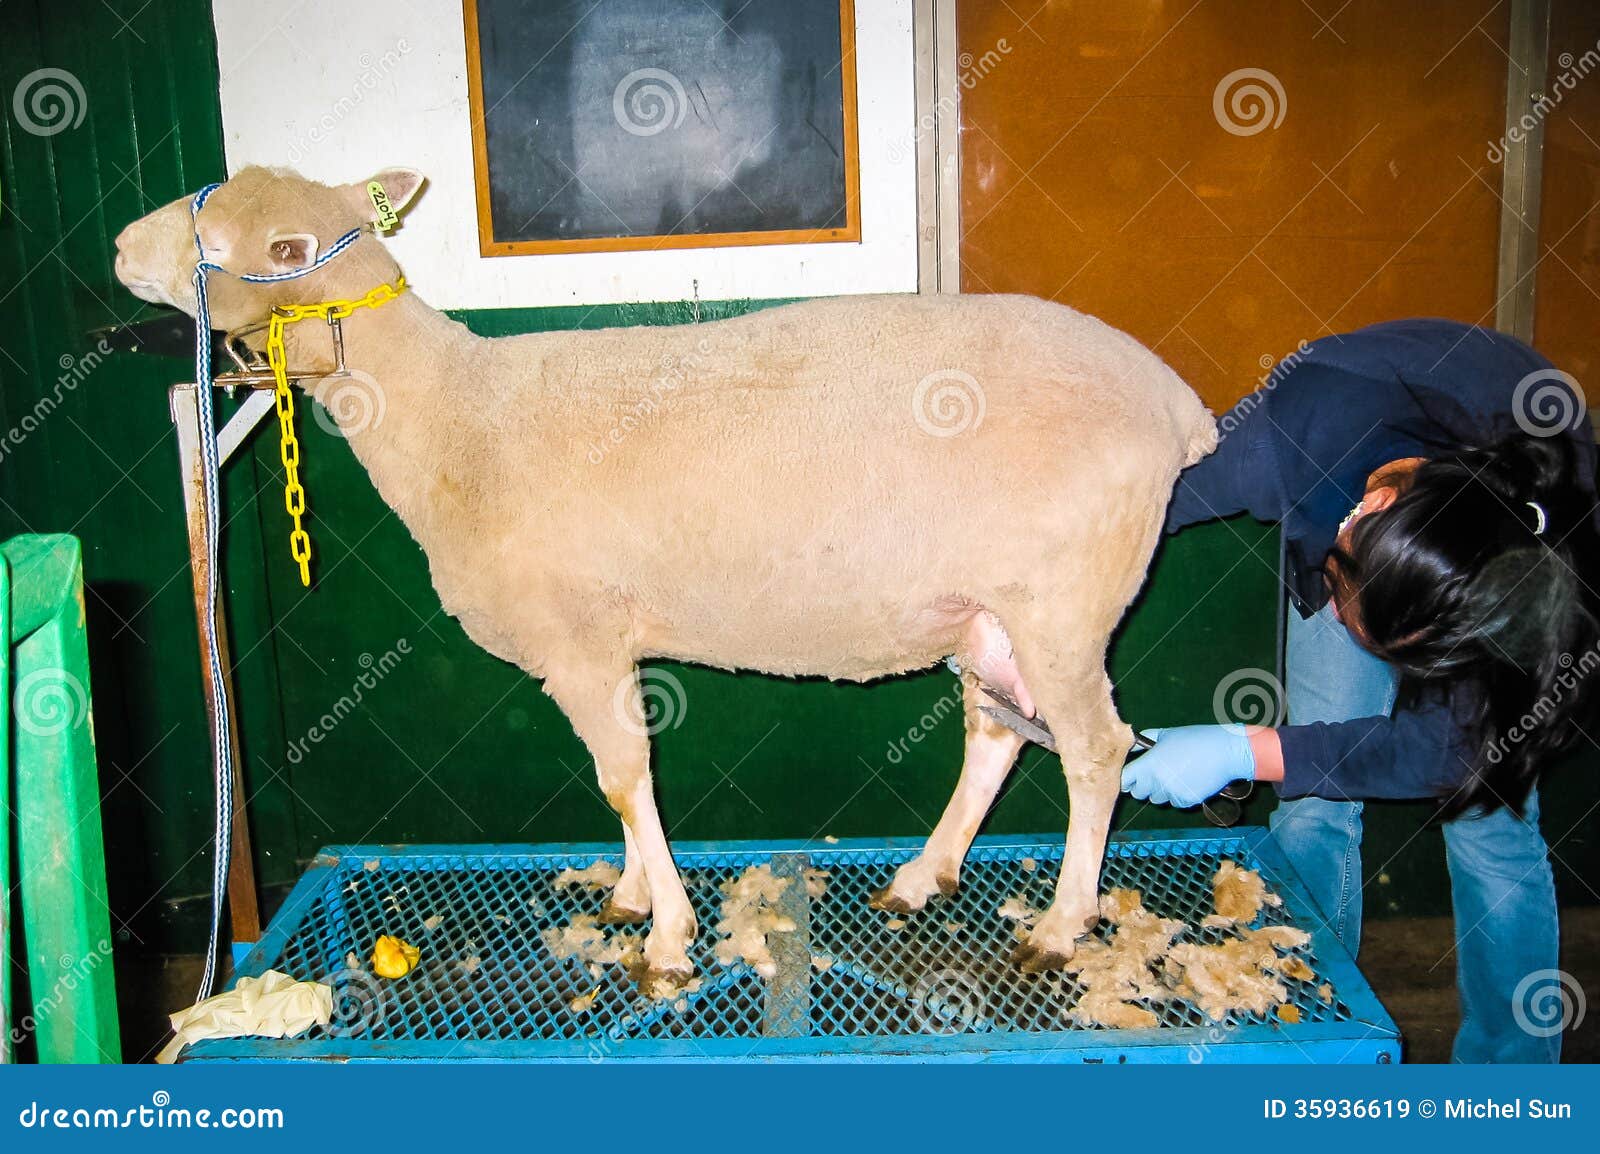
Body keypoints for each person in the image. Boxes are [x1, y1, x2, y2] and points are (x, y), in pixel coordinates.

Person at [1124, 318, 1599, 1062]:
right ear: (1364, 512)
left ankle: (1511, 1082)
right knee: (1313, 807)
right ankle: (1309, 1036)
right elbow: (1139, 502)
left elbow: (1451, 756)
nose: (1363, 650)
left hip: (1480, 558)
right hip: (1351, 471)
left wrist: (1243, 745)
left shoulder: (1544, 548)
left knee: (1492, 826)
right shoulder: (1286, 444)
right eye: (1353, 613)